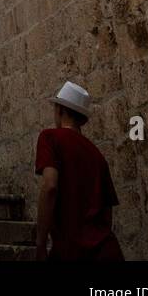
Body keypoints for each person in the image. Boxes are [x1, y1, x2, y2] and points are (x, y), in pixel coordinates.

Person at [35, 80, 124, 261]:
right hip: (106, 251)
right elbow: (107, 211)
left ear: (60, 110)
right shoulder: (97, 155)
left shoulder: (50, 137)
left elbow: (50, 186)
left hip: (71, 250)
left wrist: (40, 243)